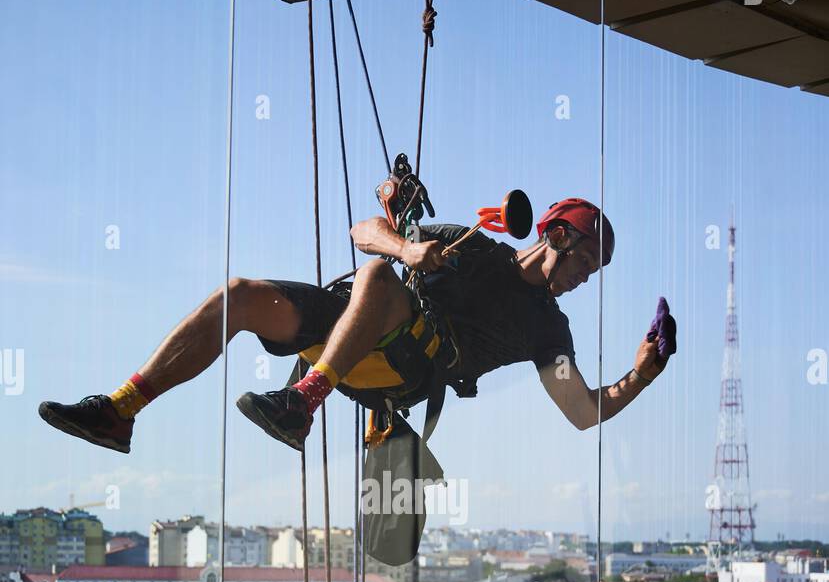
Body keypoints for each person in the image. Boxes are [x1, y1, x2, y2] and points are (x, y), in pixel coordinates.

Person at [38, 197, 675, 454]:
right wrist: (409, 246)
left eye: (593, 272)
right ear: (555, 235)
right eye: (583, 261)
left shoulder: (548, 330)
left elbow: (584, 410)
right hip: (353, 329)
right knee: (238, 296)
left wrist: (641, 375)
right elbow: (364, 233)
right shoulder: (473, 244)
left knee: (375, 280)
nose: (583, 277)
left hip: (411, 368)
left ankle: (301, 404)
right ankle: (120, 411)